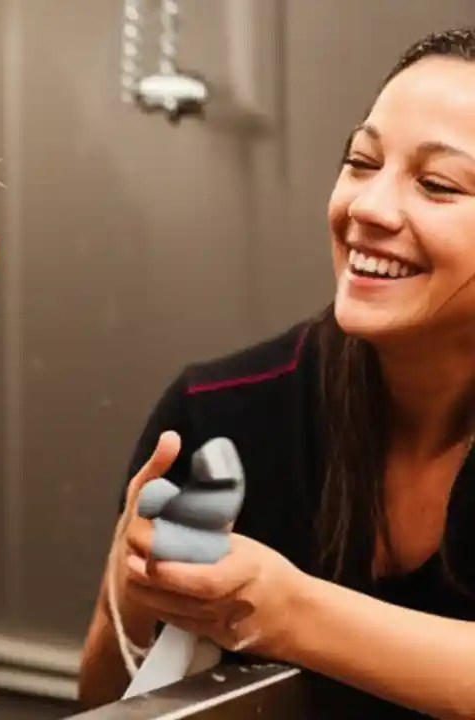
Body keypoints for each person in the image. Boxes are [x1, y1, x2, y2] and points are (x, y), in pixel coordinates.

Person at [77, 27, 475, 719]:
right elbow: (103, 699)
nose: (368, 208)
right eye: (361, 161)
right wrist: (134, 588)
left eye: (436, 184)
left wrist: (289, 612)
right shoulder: (220, 417)